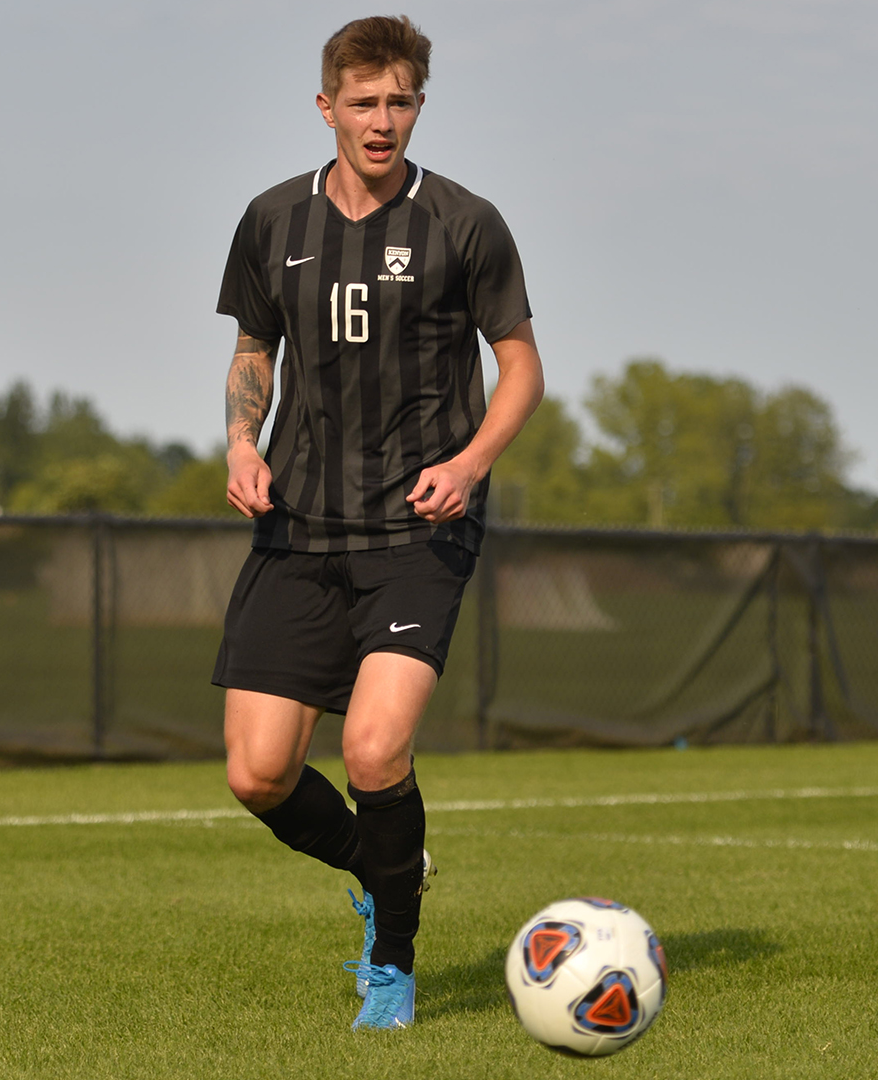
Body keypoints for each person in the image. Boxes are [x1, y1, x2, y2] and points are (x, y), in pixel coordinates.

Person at [211, 15, 544, 1027]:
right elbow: (254, 350)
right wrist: (241, 442)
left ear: (419, 106)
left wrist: (470, 464)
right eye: (363, 102)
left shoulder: (464, 222)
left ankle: (392, 963)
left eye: (400, 101)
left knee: (371, 752)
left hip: (417, 532)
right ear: (327, 108)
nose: (382, 120)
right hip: (299, 528)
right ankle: (386, 868)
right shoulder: (273, 220)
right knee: (257, 772)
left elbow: (522, 370)